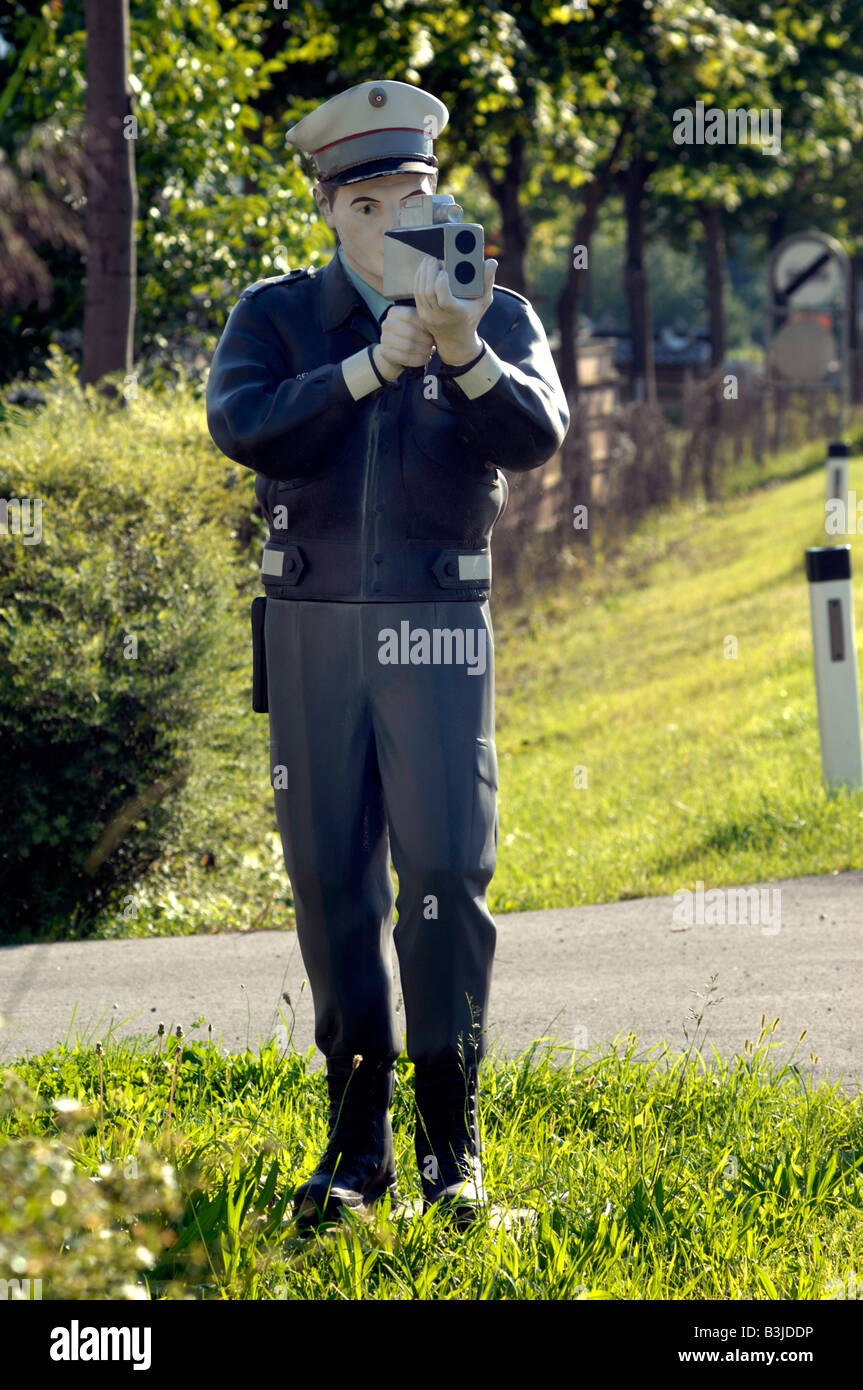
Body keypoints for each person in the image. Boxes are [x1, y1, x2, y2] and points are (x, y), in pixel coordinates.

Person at [206, 79, 569, 1229]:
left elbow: (537, 435)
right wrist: (367, 365)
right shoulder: (275, 314)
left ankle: (450, 1150)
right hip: (311, 626)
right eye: (367, 199)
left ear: (436, 195)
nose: (392, 217)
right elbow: (243, 426)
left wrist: (459, 354)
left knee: (449, 870)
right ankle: (353, 1151)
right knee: (328, 883)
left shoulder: (494, 311)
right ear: (327, 208)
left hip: (435, 621)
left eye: (412, 192)